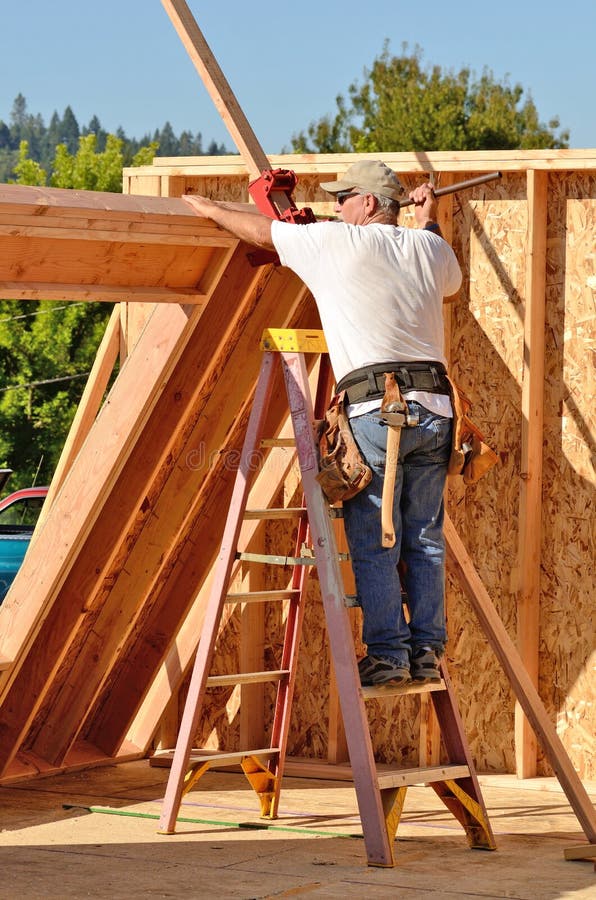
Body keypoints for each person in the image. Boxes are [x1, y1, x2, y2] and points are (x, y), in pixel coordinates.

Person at [182, 159, 462, 687]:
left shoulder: (338, 242)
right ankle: (426, 651)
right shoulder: (429, 247)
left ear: (370, 204)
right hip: (436, 413)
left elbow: (262, 230)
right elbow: (445, 275)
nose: (335, 208)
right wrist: (430, 217)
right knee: (423, 538)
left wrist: (206, 207)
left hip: (379, 412)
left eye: (344, 198)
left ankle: (388, 655)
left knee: (377, 538)